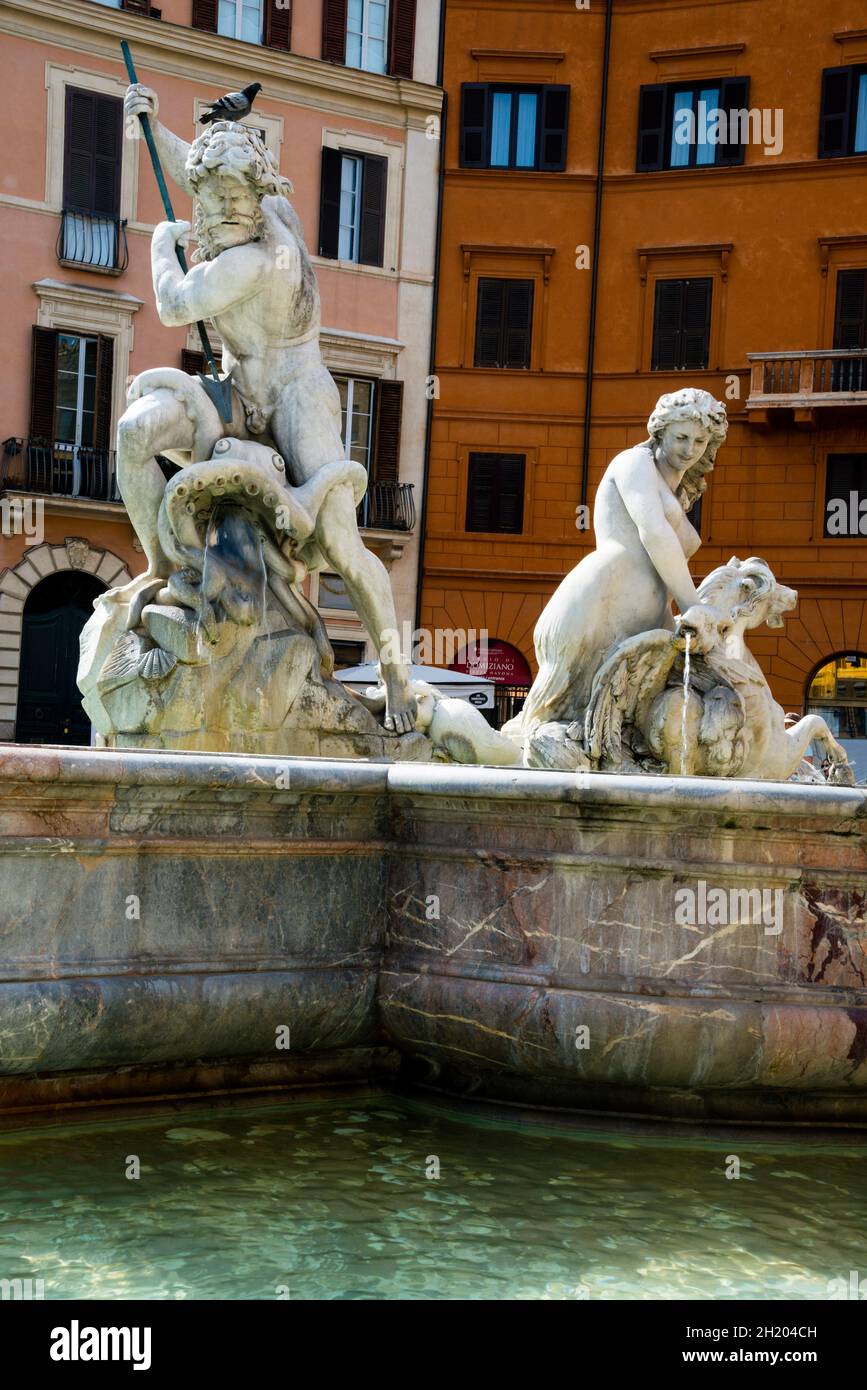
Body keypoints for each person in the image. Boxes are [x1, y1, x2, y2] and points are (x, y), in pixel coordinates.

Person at [113, 85, 416, 733]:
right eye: (212, 200)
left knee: (341, 544)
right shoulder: (259, 202)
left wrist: (160, 245)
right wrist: (154, 128)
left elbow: (172, 306)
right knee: (135, 433)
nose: (220, 211)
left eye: (233, 200)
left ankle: (396, 680)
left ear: (258, 196)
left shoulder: (252, 258)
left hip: (296, 398)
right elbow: (199, 166)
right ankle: (161, 567)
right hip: (233, 393)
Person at [506, 388, 728, 735]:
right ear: (660, 431)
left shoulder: (679, 492)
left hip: (652, 616)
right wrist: (693, 604)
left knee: (636, 725)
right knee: (558, 714)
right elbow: (653, 532)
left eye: (700, 442)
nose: (689, 450)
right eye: (681, 437)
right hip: (602, 602)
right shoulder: (634, 463)